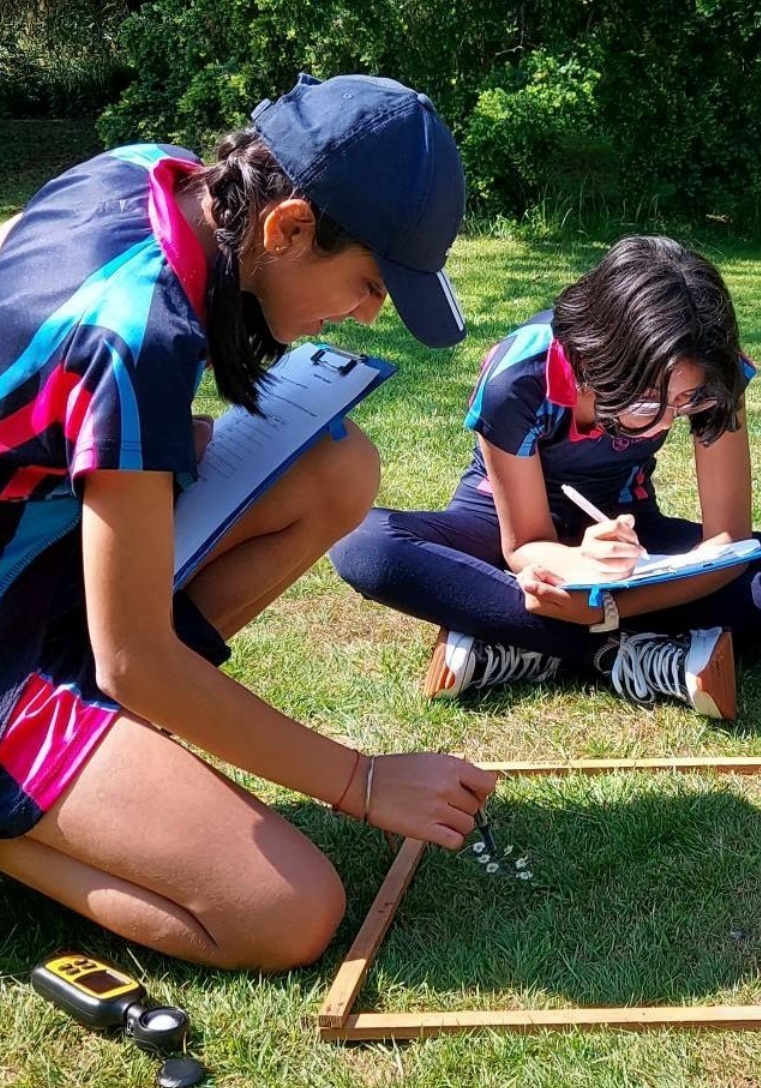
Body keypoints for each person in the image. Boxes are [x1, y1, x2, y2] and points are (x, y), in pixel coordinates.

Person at [0, 73, 495, 971]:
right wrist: (364, 780)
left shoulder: (153, 173)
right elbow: (137, 657)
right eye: (369, 282)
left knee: (338, 468)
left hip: (31, 567)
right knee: (286, 911)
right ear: (289, 227)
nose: (367, 314)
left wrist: (128, 441)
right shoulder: (133, 337)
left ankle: (95, 750)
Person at [330, 236, 761, 721]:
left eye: (687, 404)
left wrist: (609, 605)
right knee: (364, 544)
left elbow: (729, 541)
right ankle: (624, 656)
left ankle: (519, 641)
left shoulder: (711, 371)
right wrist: (578, 572)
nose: (668, 422)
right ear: (598, 359)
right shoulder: (520, 374)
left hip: (630, 533)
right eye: (647, 403)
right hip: (500, 525)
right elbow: (526, 546)